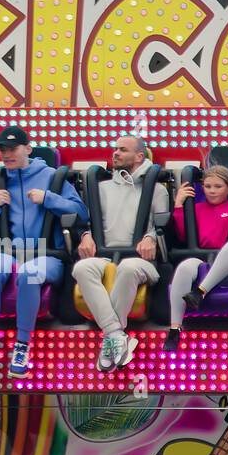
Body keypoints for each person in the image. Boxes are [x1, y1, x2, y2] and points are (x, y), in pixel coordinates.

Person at [0, 125, 88, 380]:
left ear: (28, 149)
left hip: (47, 254)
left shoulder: (52, 176)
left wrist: (48, 198)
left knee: (30, 273)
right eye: (2, 150)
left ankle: (22, 346)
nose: (6, 154)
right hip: (10, 251)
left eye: (12, 149)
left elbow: (81, 213)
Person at [72, 135, 167, 371]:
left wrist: (150, 237)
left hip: (141, 262)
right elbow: (86, 221)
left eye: (122, 150)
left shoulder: (157, 190)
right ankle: (115, 334)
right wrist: (86, 235)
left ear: (139, 156)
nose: (115, 153)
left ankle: (109, 338)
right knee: (81, 268)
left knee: (127, 268)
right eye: (115, 149)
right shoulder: (101, 188)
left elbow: (164, 227)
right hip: (105, 256)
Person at [163, 165, 228, 352]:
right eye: (208, 186)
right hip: (203, 261)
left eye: (217, 187)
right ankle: (174, 329)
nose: (211, 191)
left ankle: (200, 292)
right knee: (185, 266)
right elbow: (184, 236)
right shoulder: (197, 208)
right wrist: (178, 207)